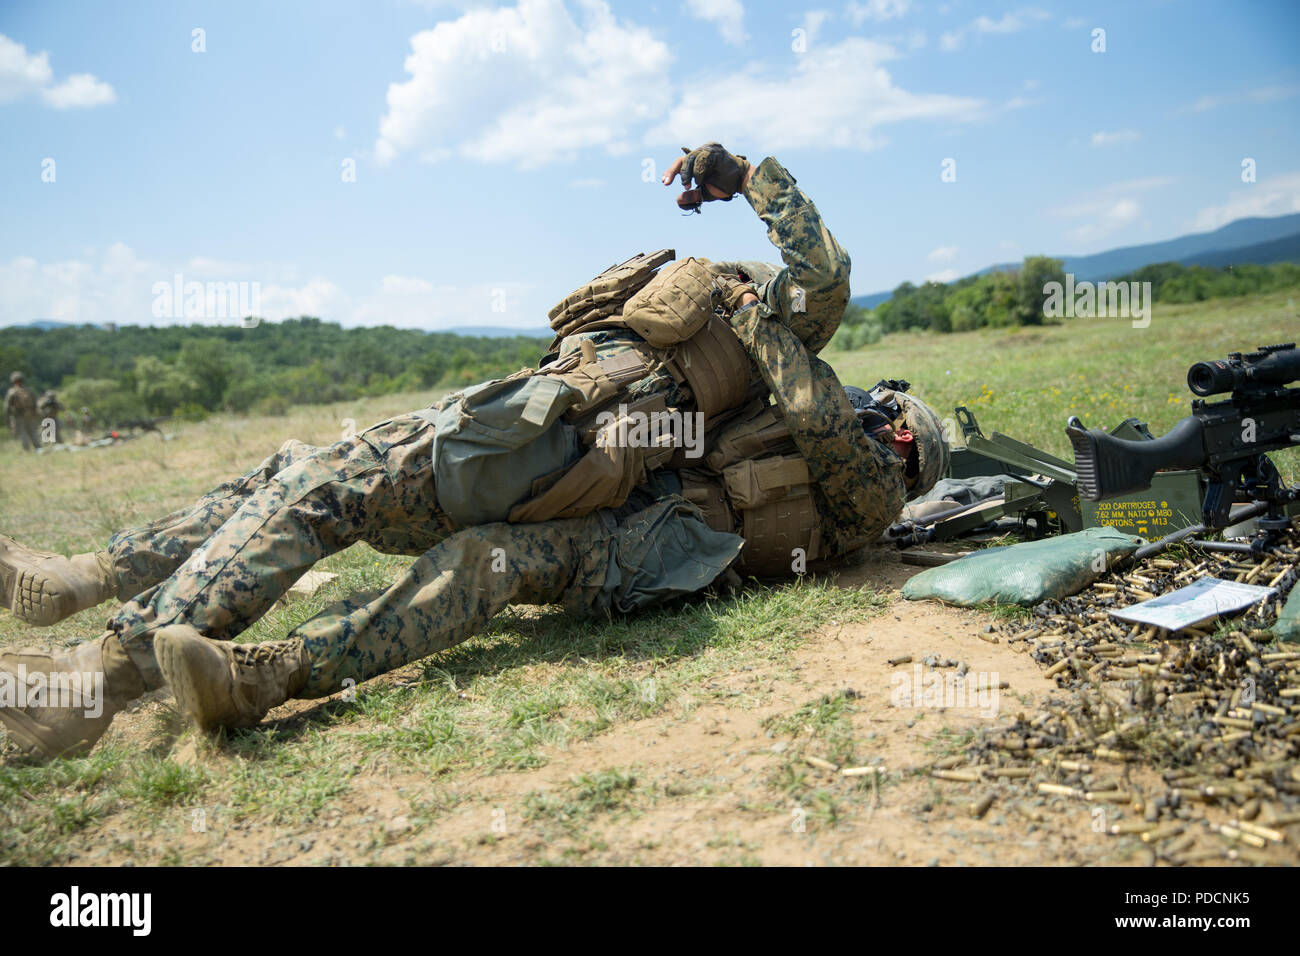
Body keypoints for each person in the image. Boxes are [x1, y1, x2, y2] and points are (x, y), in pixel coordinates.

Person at [0, 143, 942, 759]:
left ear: (904, 448)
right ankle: (95, 582)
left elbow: (814, 394)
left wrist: (744, 304)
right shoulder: (759, 385)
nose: (881, 420)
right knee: (306, 475)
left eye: (896, 424)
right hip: (577, 466)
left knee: (387, 518)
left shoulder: (861, 495)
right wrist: (741, 184)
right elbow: (815, 290)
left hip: (595, 500)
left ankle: (149, 676)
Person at [3, 372, 40, 452]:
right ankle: (38, 448)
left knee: (23, 434)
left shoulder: (11, 392)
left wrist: (7, 418)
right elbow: (35, 403)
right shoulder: (29, 390)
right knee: (33, 432)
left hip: (18, 416)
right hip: (30, 415)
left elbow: (7, 406)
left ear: (13, 381)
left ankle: (27, 451)